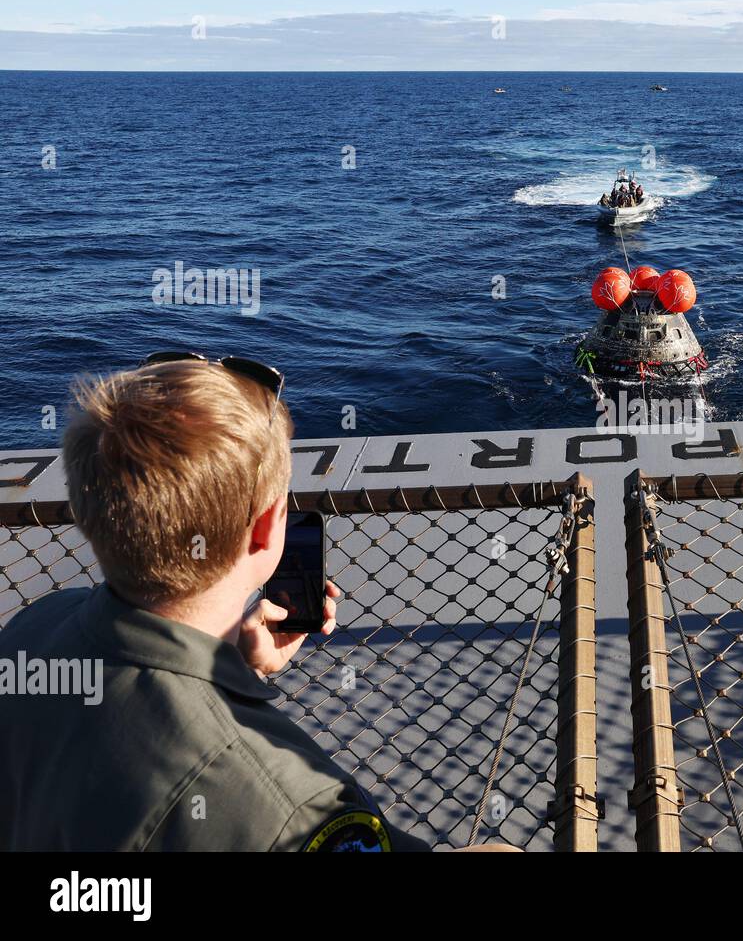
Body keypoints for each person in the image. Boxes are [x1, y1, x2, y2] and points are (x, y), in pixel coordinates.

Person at [0, 355, 440, 851]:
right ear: (267, 527)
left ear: (88, 514)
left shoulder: (33, 630)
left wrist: (236, 668)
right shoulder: (294, 807)